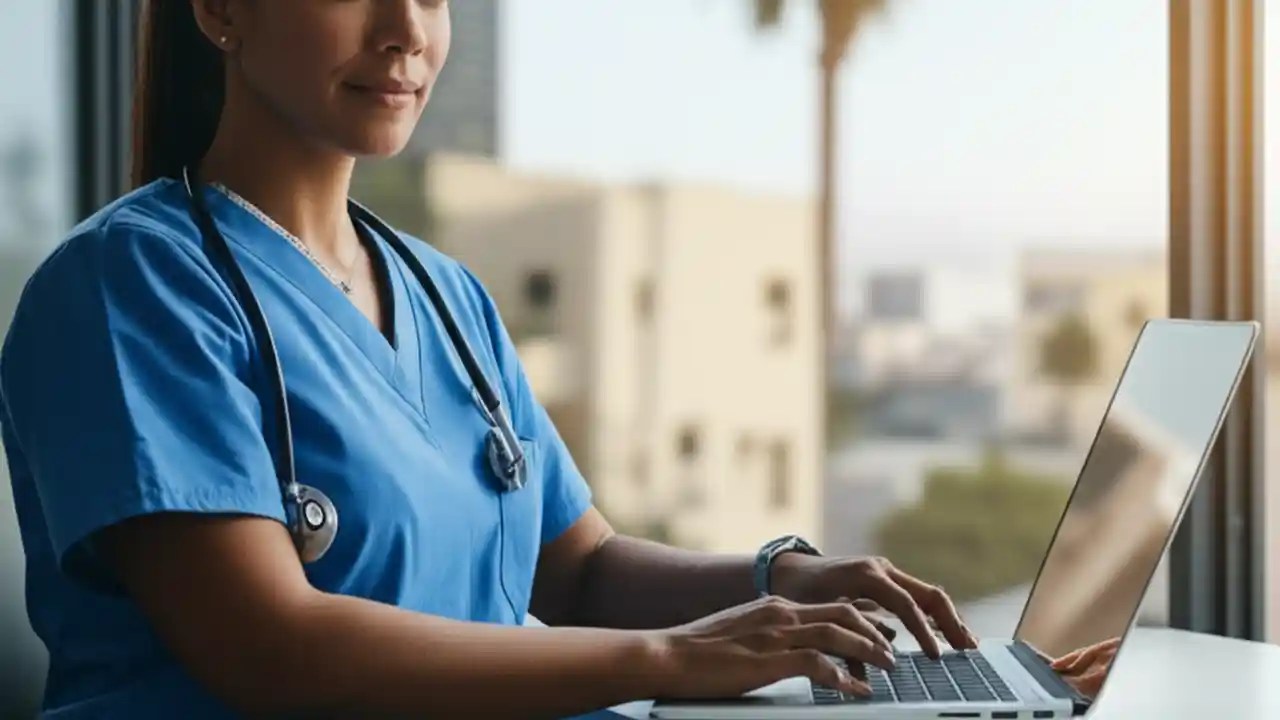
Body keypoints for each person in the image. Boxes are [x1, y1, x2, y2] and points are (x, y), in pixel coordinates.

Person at [0, 2, 982, 718]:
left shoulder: (443, 293)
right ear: (220, 9)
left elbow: (581, 570)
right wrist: (660, 660)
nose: (406, 31)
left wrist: (779, 581)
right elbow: (272, 652)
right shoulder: (128, 287)